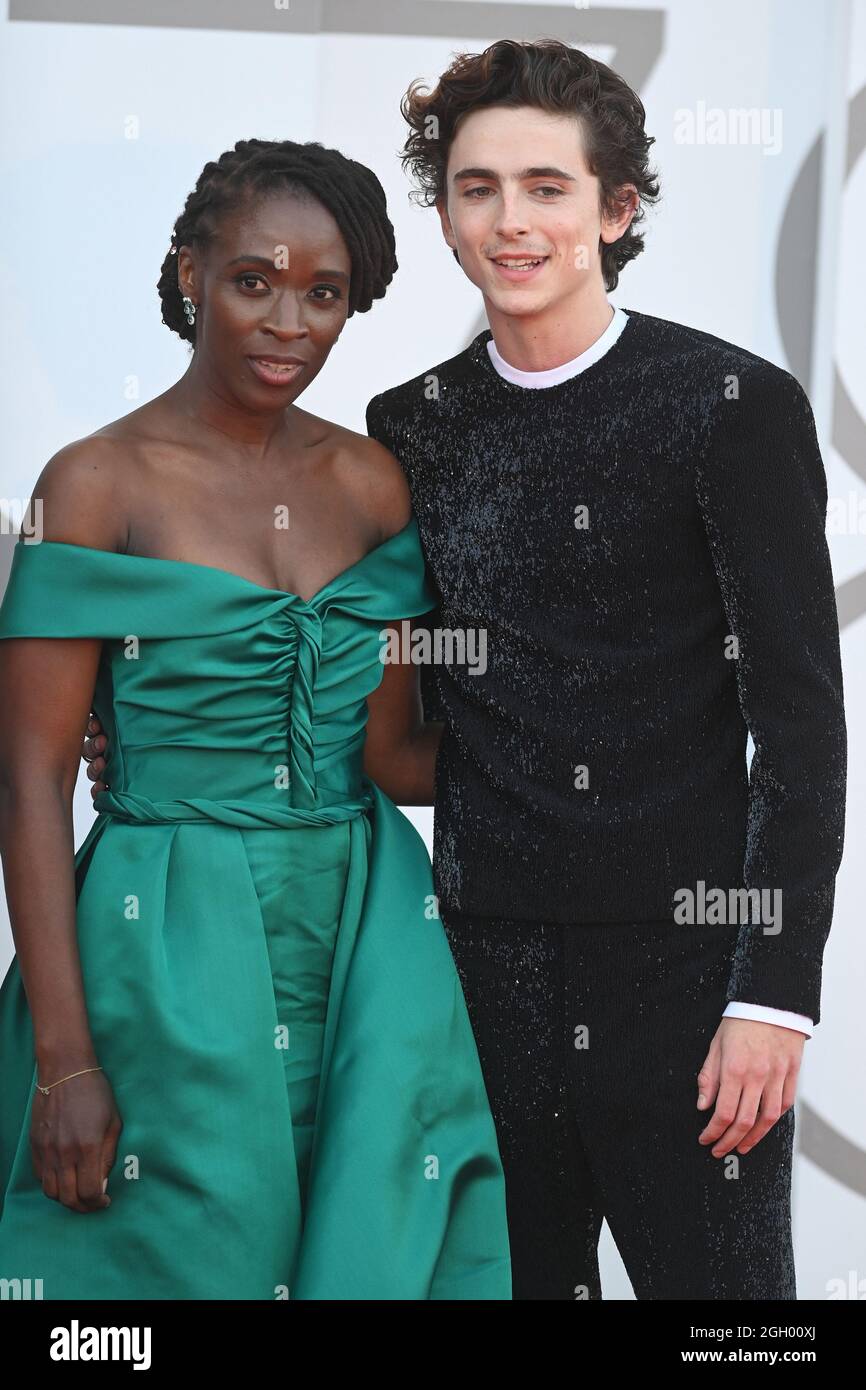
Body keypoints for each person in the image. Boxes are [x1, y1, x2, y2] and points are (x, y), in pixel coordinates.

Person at [81, 42, 848, 1300]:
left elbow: (801, 732)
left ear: (615, 209)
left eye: (547, 187)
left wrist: (773, 996)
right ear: (443, 213)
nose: (510, 220)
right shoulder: (408, 429)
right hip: (473, 972)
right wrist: (158, 728)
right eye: (477, 187)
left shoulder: (727, 405)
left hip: (688, 974)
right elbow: (371, 694)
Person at [0, 137, 512, 1301]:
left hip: (366, 933)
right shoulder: (93, 482)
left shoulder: (374, 481)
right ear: (189, 273)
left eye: (322, 295)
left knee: (377, 1239)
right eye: (253, 282)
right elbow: (29, 780)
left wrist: (599, 739)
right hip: (163, 931)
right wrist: (63, 1060)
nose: (288, 321)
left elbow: (389, 753)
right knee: (172, 1261)